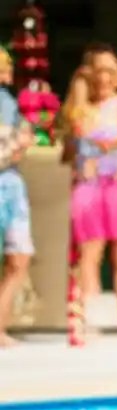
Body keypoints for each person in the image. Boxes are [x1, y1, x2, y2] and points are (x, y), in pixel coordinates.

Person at [68, 44, 117, 337]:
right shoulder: (81, 107)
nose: (106, 77)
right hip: (89, 183)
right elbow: (76, 139)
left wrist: (112, 146)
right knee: (90, 248)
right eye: (100, 70)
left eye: (111, 71)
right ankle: (85, 313)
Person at [0, 48, 35, 348]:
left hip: (12, 184)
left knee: (19, 257)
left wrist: (21, 144)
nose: (8, 68)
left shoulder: (9, 102)